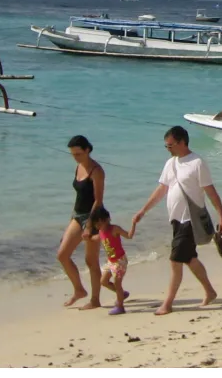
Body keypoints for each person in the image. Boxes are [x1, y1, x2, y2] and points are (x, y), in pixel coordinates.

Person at [133, 126, 222, 314]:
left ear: (182, 142)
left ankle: (167, 304)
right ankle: (210, 291)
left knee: (175, 260)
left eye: (170, 145)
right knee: (190, 258)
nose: (167, 149)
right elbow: (162, 189)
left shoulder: (197, 162)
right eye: (166, 146)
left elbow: (211, 192)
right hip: (176, 220)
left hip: (190, 221)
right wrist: (143, 210)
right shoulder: (171, 164)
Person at [59, 135, 105, 309]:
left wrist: (89, 225)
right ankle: (79, 290)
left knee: (91, 261)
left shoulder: (97, 170)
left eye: (78, 154)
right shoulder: (78, 167)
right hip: (77, 215)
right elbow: (79, 196)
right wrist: (73, 217)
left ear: (87, 150)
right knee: (62, 255)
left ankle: (95, 300)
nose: (75, 157)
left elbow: (98, 200)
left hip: (94, 217)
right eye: (73, 154)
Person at [89, 206, 136, 315]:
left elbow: (129, 236)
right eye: (96, 225)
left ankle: (120, 307)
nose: (97, 227)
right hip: (111, 261)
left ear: (103, 220)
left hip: (120, 261)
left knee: (117, 283)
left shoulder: (114, 229)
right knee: (103, 281)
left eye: (97, 224)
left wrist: (133, 223)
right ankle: (121, 295)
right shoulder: (101, 231)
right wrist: (88, 237)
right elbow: (96, 238)